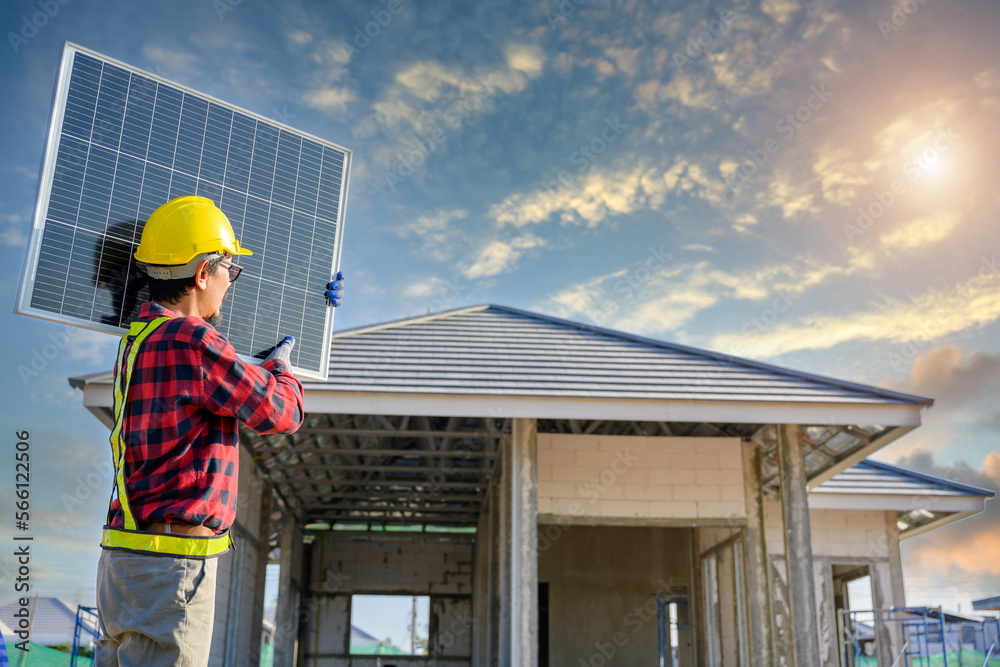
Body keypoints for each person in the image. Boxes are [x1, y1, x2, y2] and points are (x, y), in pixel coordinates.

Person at [94, 196, 345, 667]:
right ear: (203, 273)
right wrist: (285, 366)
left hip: (126, 559)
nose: (232, 282)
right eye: (230, 269)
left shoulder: (139, 339)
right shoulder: (192, 341)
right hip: (170, 564)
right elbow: (283, 412)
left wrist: (309, 304)